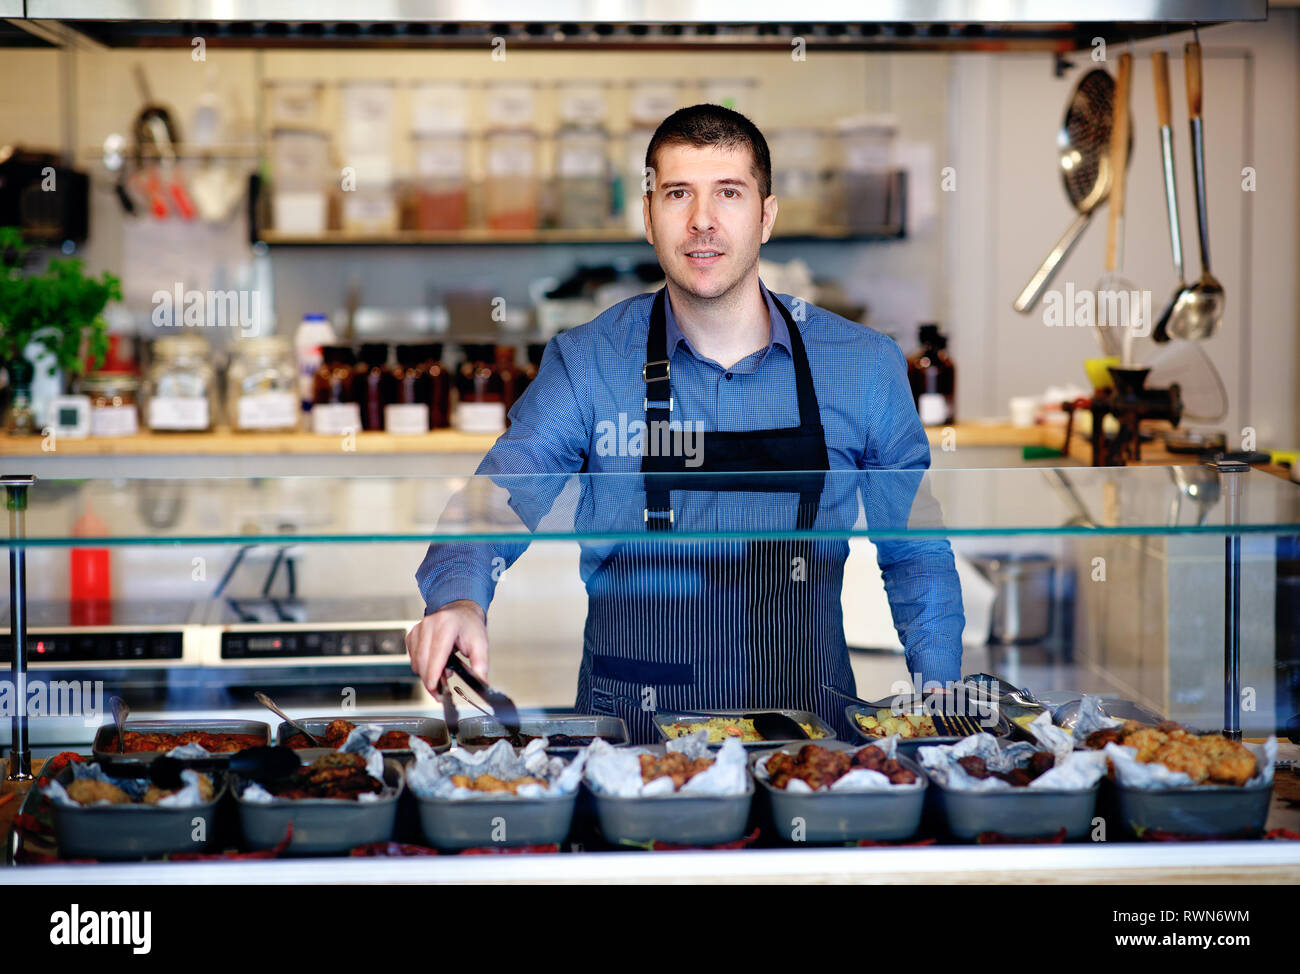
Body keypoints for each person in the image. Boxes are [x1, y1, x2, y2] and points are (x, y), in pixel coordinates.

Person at [409, 104, 964, 743]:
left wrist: (940, 701)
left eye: (729, 192)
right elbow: (497, 498)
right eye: (678, 194)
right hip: (633, 749)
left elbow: (915, 547)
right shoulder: (588, 362)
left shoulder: (864, 365)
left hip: (812, 750)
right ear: (648, 217)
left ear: (767, 215)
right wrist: (458, 600)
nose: (703, 220)